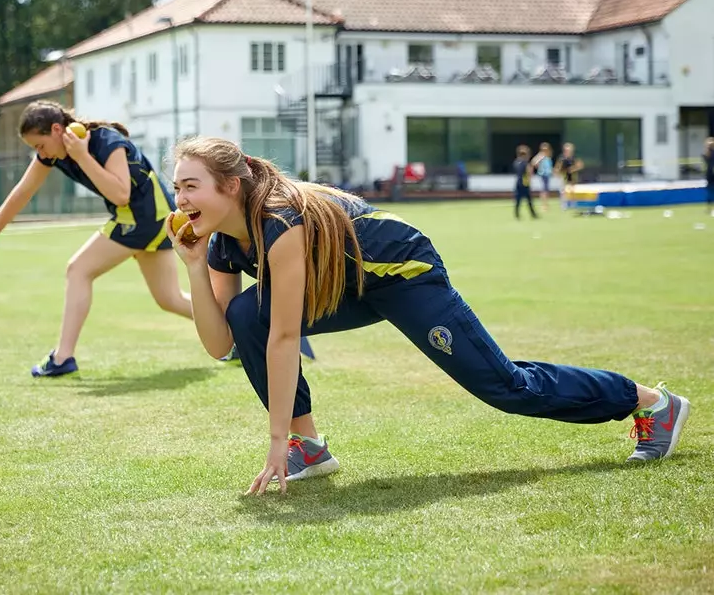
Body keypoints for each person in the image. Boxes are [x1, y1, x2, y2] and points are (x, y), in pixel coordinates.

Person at [166, 136, 691, 495]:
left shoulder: (279, 221)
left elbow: (285, 338)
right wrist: (192, 266)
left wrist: (273, 443)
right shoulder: (220, 245)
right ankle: (312, 447)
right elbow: (221, 344)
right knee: (243, 313)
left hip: (401, 272)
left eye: (191, 185)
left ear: (230, 186)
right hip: (347, 287)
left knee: (505, 387)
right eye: (177, 187)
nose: (180, 197)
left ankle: (650, 403)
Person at [0, 100, 193, 377]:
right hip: (149, 218)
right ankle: (230, 333)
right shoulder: (54, 154)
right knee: (168, 298)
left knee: (78, 269)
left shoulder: (107, 141)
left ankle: (62, 358)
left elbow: (121, 194)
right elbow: (22, 193)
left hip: (144, 218)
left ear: (55, 129)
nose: (40, 154)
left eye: (40, 146)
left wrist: (82, 156)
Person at [555, 142, 584, 210]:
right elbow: (557, 167)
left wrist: (573, 169)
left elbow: (580, 165)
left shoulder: (574, 158)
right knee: (563, 190)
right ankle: (564, 204)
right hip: (564, 176)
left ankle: (573, 204)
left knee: (572, 190)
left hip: (572, 176)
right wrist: (558, 172)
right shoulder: (562, 158)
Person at [512, 145, 537, 220]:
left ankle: (517, 214)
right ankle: (533, 214)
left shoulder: (516, 162)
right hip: (525, 183)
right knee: (529, 200)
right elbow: (529, 172)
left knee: (518, 200)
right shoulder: (525, 163)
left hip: (518, 183)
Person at [531, 142, 554, 211]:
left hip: (548, 174)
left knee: (546, 190)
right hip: (543, 175)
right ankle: (544, 205)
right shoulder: (541, 155)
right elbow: (534, 162)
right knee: (544, 190)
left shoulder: (548, 156)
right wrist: (539, 167)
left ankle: (546, 204)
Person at [703, 137, 714, 217]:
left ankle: (710, 208)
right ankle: (710, 208)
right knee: (710, 193)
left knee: (710, 193)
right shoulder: (708, 155)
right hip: (710, 176)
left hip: (710, 176)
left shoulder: (708, 155)